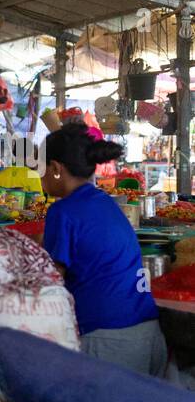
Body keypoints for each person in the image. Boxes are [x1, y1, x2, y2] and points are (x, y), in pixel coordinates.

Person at [41, 122, 167, 377]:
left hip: (109, 339)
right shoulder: (106, 203)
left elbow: (51, 280)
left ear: (55, 168)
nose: (40, 177)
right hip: (149, 333)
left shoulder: (62, 211)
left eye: (41, 170)